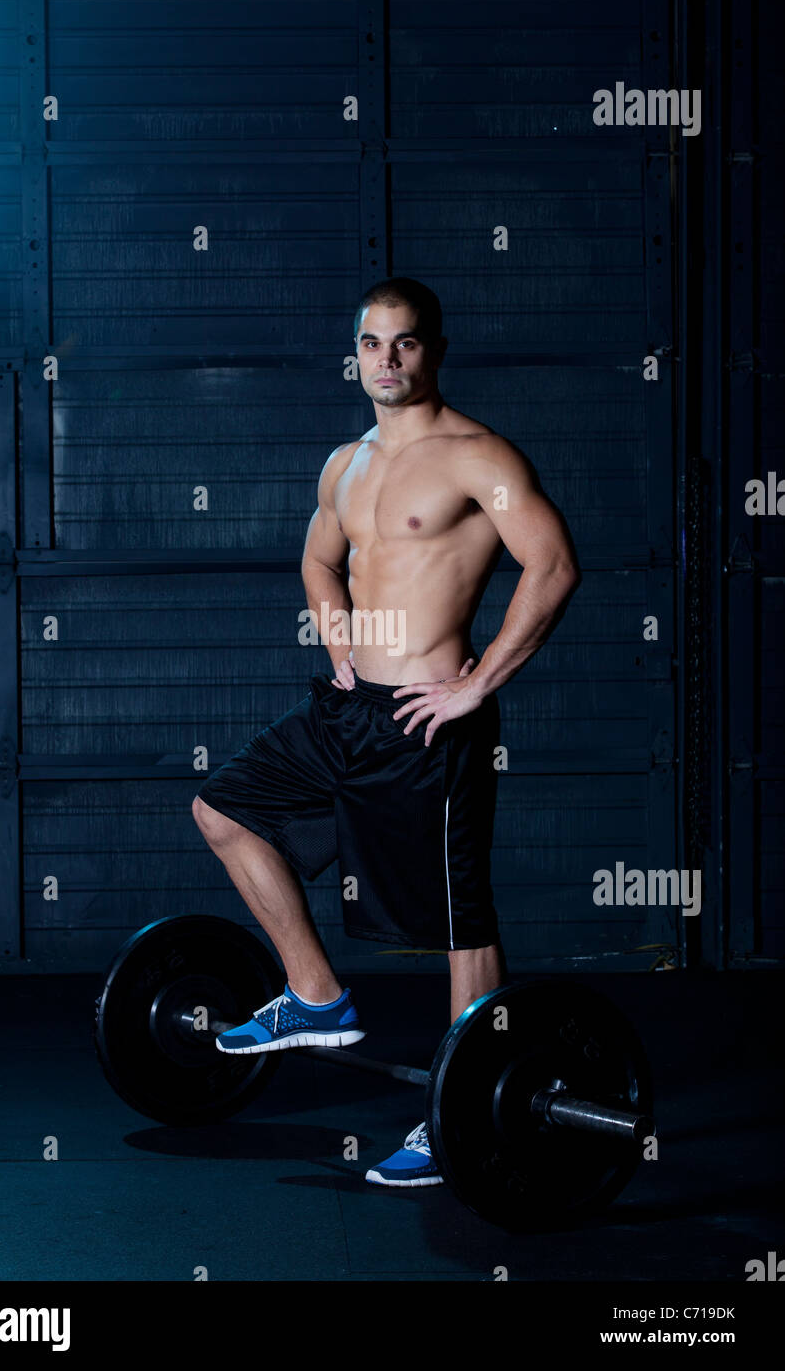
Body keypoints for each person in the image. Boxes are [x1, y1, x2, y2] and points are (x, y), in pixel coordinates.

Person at [192, 276, 579, 1188]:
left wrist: (477, 685)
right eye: (372, 344)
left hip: (424, 721)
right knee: (223, 808)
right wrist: (336, 632)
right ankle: (316, 997)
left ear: (433, 350)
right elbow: (320, 557)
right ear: (355, 353)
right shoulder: (346, 463)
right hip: (346, 709)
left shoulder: (477, 455)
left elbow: (553, 565)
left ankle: (459, 1114)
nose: (387, 361)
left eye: (404, 343)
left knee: (459, 919)